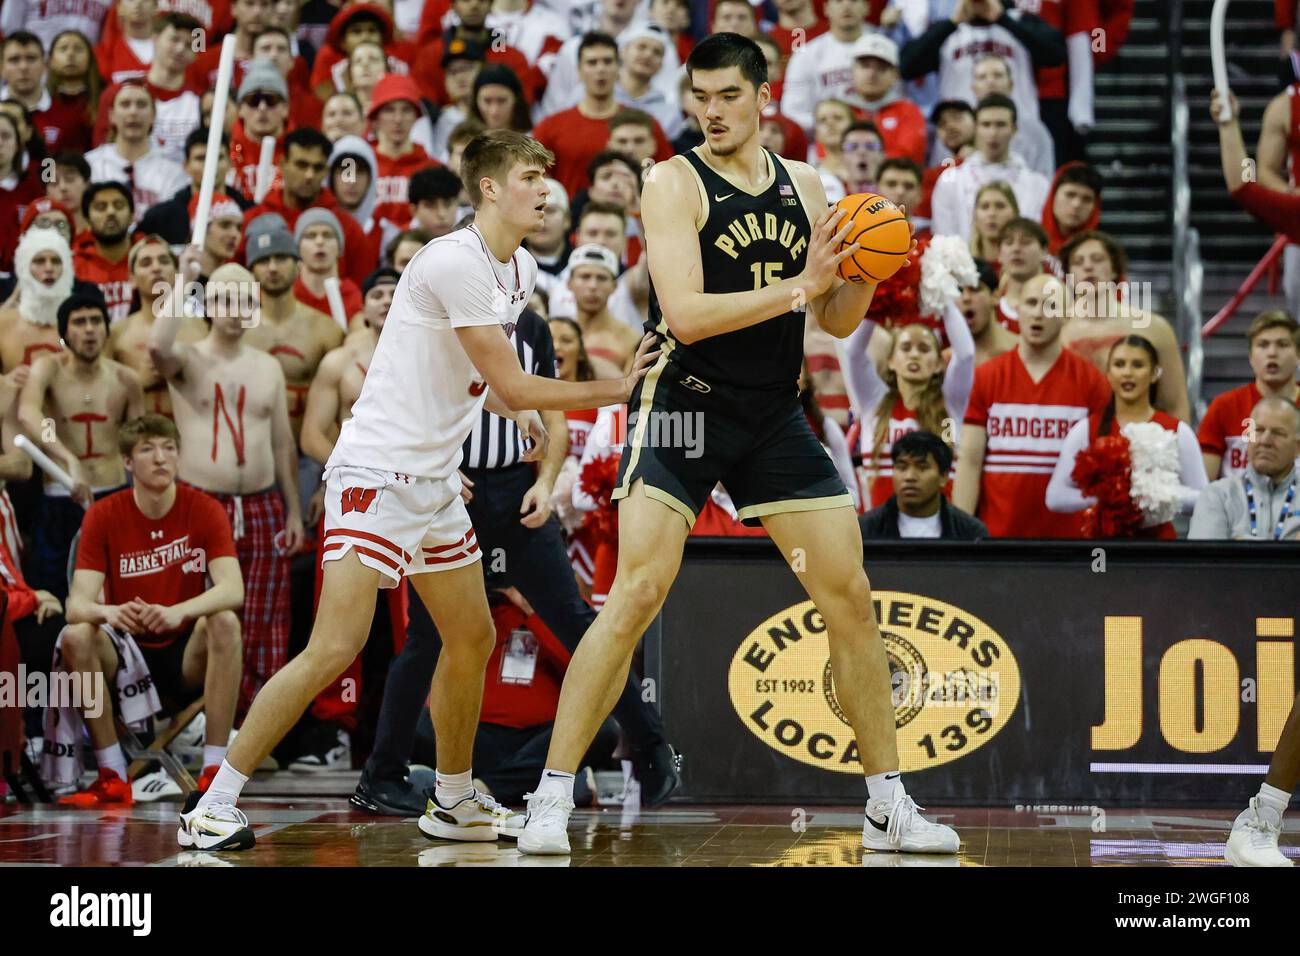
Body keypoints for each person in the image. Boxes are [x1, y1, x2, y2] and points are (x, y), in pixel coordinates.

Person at [517, 33, 959, 858]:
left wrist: (864, 268)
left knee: (851, 595)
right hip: (681, 403)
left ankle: (886, 804)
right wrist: (804, 284)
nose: (709, 111)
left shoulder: (808, 184)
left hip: (769, 412)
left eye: (727, 95)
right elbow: (684, 314)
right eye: (699, 96)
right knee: (638, 591)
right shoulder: (669, 181)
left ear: (765, 95)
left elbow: (830, 323)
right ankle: (549, 795)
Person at [176, 129, 657, 851]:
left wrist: (520, 408)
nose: (547, 189)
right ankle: (214, 802)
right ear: (490, 187)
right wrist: (621, 385)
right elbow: (511, 378)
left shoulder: (519, 268)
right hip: (378, 471)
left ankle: (455, 799)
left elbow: (486, 382)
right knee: (335, 644)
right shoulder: (453, 262)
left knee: (471, 634)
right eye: (532, 176)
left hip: (432, 480)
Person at [57, 414, 244, 805]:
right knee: (76, 635)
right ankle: (111, 774)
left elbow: (233, 589)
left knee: (224, 622)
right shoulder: (104, 514)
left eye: (169, 448)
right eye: (147, 449)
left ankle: (213, 769)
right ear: (127, 462)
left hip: (183, 658)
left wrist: (180, 611)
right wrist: (107, 613)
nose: (161, 458)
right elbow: (75, 604)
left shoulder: (205, 508)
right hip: (126, 652)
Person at [149, 262, 306, 716]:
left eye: (245, 301)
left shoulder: (269, 367)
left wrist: (293, 510)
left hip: (261, 504)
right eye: (226, 300)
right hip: (200, 502)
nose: (236, 310)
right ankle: (194, 718)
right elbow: (157, 346)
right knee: (200, 612)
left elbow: (282, 444)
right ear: (208, 306)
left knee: (264, 615)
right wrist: (183, 276)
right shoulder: (188, 358)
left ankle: (252, 724)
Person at [954, 272, 1110, 537]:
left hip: (1071, 543)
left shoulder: (1092, 382)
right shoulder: (987, 376)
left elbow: (1102, 471)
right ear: (1017, 309)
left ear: (1067, 314)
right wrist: (961, 533)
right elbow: (969, 461)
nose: (1038, 313)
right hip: (998, 537)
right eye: (1031, 303)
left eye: (1050, 305)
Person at [18, 290, 144, 599]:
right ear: (64, 332)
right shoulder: (49, 369)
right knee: (56, 591)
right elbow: (30, 415)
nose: (88, 329)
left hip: (113, 494)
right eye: (78, 322)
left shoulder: (126, 379)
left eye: (95, 320)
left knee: (119, 591)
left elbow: (139, 441)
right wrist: (66, 458)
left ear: (106, 328)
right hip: (62, 494)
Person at [1046, 335, 1206, 538]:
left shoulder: (1177, 431)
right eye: (1119, 365)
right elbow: (1054, 497)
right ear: (1109, 374)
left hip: (1158, 549)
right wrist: (1109, 497)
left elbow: (1203, 500)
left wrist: (1156, 495)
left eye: (1137, 365)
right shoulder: (1086, 429)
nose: (1128, 373)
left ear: (1155, 373)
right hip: (1101, 548)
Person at [838, 274, 976, 509]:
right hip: (881, 531)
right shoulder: (874, 400)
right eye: (905, 348)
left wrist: (940, 291)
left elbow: (966, 355)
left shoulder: (951, 402)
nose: (914, 355)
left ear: (938, 363)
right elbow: (853, 354)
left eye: (924, 349)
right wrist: (879, 303)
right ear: (891, 360)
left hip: (938, 529)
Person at [1058, 229, 1190, 422]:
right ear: (1068, 276)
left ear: (1114, 269)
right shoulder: (1058, 331)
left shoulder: (1154, 328)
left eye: (1097, 259)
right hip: (1072, 432)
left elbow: (1175, 404)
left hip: (1139, 435)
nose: (1088, 267)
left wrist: (1180, 448)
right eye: (1078, 262)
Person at [533, 32, 671, 197]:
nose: (600, 69)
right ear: (579, 70)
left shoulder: (644, 125)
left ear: (619, 67)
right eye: (592, 62)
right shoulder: (550, 127)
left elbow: (667, 179)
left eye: (607, 61)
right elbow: (536, 182)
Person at [241, 127, 379, 285]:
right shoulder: (252, 221)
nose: (309, 175)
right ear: (282, 164)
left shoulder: (349, 229)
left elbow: (362, 293)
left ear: (326, 171)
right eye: (301, 165)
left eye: (317, 168)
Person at [899, 0, 1065, 128]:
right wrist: (951, 23)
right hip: (960, 141)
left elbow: (1056, 54)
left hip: (1016, 132)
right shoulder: (947, 30)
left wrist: (1002, 18)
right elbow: (906, 67)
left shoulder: (1020, 20)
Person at [108, 234, 207, 418]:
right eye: (146, 263)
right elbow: (100, 397)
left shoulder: (201, 328)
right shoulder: (117, 333)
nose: (156, 268)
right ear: (132, 279)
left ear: (178, 272)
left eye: (163, 261)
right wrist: (139, 381)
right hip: (139, 436)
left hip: (190, 433)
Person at [931, 92, 1048, 240]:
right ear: (976, 127)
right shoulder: (950, 182)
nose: (993, 133)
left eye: (1001, 125)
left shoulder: (1038, 184)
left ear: (1014, 129)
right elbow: (944, 241)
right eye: (986, 125)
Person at [1199, 311, 1300, 481]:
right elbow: (1203, 485)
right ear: (1250, 357)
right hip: (1237, 506)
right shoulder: (1224, 406)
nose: (1272, 353)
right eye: (1263, 345)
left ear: (1298, 355)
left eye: (1282, 345)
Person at [1190, 395, 1300, 542]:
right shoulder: (1218, 495)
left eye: (1278, 433)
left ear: (1298, 446)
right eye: (1259, 430)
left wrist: (1240, 542)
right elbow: (1205, 560)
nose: (1265, 441)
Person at [85, 81, 189, 219]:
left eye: (141, 104)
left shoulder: (174, 172)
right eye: (125, 104)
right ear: (112, 116)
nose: (133, 112)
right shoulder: (90, 165)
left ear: (153, 115)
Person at [859, 430, 987, 539]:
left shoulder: (971, 533)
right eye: (902, 467)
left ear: (944, 476)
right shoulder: (865, 530)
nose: (909, 477)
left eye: (922, 467)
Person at [780, 0, 872, 135]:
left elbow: (899, 97)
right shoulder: (805, 56)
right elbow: (792, 112)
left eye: (854, 0)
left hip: (876, 132)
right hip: (822, 143)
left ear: (866, 7)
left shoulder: (885, 48)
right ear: (826, 9)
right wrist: (829, 125)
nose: (846, 6)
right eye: (838, 1)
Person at [0, 227, 72, 383]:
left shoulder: (82, 321)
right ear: (24, 268)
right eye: (39, 261)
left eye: (56, 260)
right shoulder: (2, 324)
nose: (49, 268)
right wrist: (5, 382)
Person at [845, 33, 927, 166]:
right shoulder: (839, 111)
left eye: (881, 68)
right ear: (852, 71)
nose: (872, 74)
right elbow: (829, 155)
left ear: (894, 75)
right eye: (865, 66)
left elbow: (909, 158)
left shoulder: (908, 111)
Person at [968, 52, 1054, 178]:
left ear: (1010, 84)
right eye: (982, 77)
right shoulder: (963, 129)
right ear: (974, 88)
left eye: (998, 75)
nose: (990, 82)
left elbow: (1045, 177)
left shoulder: (1035, 131)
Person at [72, 181, 136, 324]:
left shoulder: (151, 259)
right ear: (87, 219)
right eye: (101, 207)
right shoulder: (73, 266)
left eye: (118, 205)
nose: (111, 212)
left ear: (132, 215)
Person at [956, 259, 1015, 366]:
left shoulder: (1020, 350)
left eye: (974, 289)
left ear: (995, 296)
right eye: (959, 291)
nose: (965, 298)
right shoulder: (948, 360)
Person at [996, 215, 1048, 331]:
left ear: (1044, 252)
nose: (1016, 249)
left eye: (1026, 242)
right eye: (1009, 243)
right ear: (999, 254)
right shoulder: (990, 310)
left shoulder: (1058, 308)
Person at [1041, 161, 1101, 257]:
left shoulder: (1103, 253)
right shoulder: (1029, 242)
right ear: (1053, 196)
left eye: (1087, 199)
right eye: (1070, 195)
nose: (1076, 205)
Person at [523, 176, 572, 275]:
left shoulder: (585, 267)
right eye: (536, 210)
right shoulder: (508, 266)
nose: (543, 217)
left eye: (550, 211)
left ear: (567, 220)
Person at [968, 180, 1018, 263]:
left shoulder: (1031, 268)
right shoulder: (962, 266)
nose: (991, 213)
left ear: (1014, 213)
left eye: (1000, 206)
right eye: (985, 207)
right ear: (975, 216)